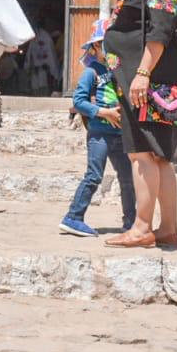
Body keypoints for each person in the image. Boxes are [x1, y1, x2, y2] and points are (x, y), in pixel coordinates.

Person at [102, 0, 177, 249]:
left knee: (142, 153)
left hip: (151, 77)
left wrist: (141, 73)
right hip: (157, 75)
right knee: (159, 155)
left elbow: (160, 30)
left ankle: (142, 228)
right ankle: (167, 229)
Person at [60, 19, 136, 237]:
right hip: (100, 133)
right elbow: (78, 102)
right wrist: (104, 113)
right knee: (94, 175)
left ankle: (131, 222)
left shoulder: (119, 70)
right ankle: (73, 217)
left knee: (128, 178)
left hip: (120, 134)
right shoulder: (91, 72)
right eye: (106, 43)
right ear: (95, 46)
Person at [26, 19, 62, 96]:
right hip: (35, 68)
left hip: (45, 69)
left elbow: (50, 55)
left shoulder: (46, 37)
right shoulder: (34, 37)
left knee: (43, 87)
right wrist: (30, 65)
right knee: (35, 87)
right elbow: (30, 53)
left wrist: (49, 66)